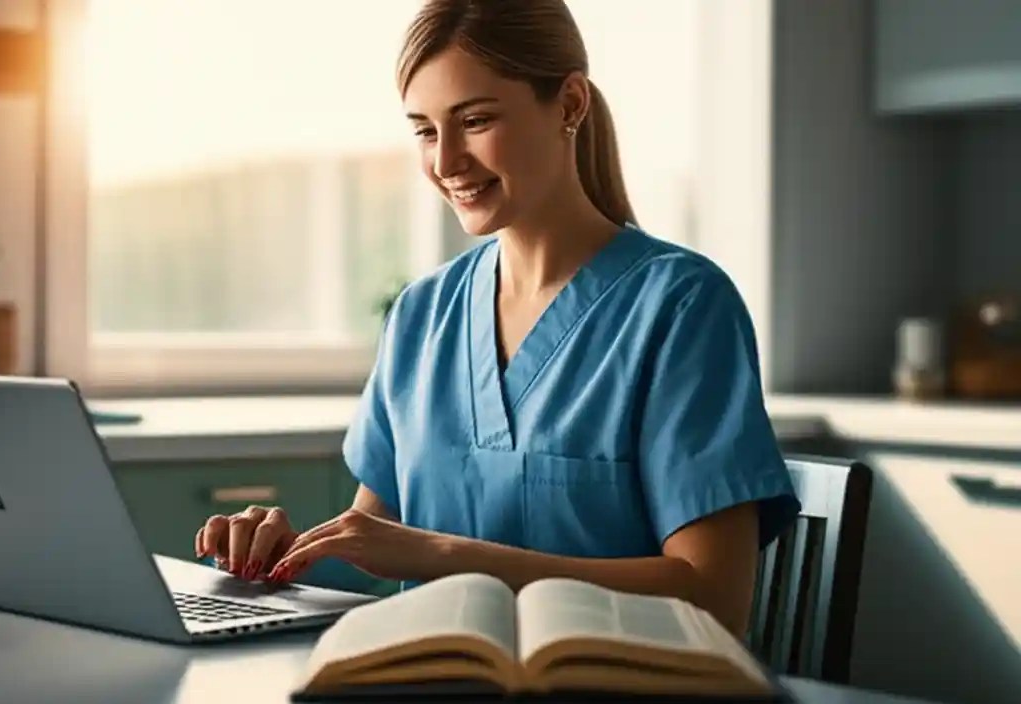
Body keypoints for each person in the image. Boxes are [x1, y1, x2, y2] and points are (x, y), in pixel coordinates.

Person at [194, 0, 798, 636]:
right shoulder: (421, 317)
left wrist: (448, 556)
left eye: (475, 121)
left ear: (569, 105)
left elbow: (713, 599)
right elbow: (371, 551)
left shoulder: (681, 307)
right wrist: (278, 555)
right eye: (425, 131)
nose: (447, 161)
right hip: (441, 686)